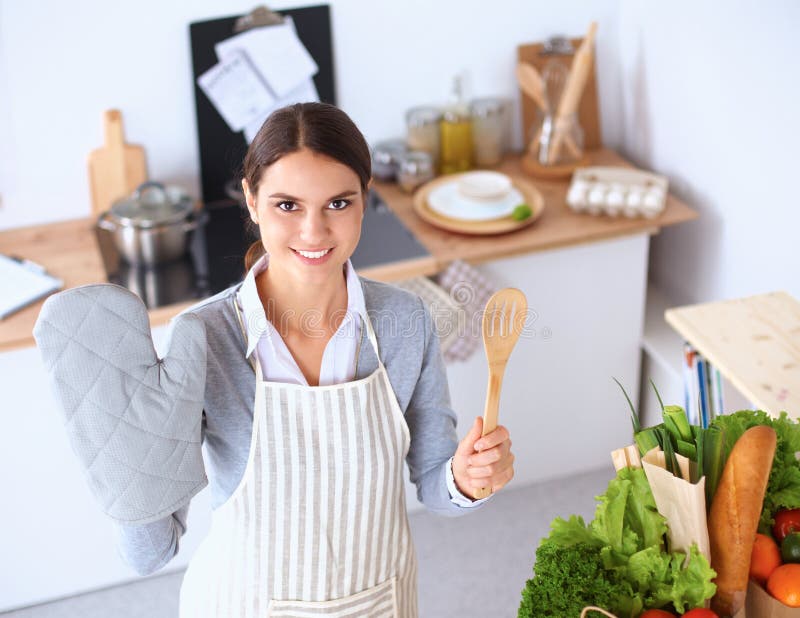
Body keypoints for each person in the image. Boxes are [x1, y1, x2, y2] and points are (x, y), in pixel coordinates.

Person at [114, 102, 515, 617]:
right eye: (287, 205)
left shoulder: (404, 322)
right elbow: (149, 552)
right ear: (252, 201)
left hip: (378, 601)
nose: (313, 231)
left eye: (338, 203)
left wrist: (467, 478)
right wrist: (123, 448)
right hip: (244, 603)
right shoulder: (203, 337)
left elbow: (436, 485)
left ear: (365, 201)